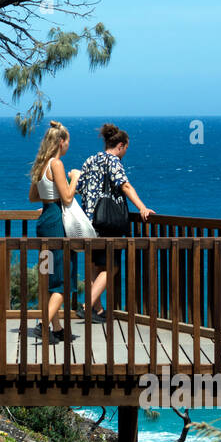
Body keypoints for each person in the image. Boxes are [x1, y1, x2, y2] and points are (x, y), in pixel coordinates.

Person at [75, 124, 155, 320]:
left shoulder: (90, 160)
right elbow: (125, 185)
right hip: (107, 222)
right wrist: (142, 207)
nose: (126, 151)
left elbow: (77, 188)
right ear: (121, 145)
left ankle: (97, 309)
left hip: (89, 221)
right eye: (126, 148)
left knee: (95, 267)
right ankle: (86, 306)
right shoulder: (113, 161)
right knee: (112, 267)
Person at [28, 120, 82, 343]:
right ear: (61, 142)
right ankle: (43, 324)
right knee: (64, 281)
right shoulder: (56, 165)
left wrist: (49, 200)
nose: (69, 145)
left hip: (44, 224)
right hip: (57, 226)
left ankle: (57, 328)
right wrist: (75, 178)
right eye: (68, 141)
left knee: (47, 274)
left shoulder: (40, 164)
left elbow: (32, 197)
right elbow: (68, 197)